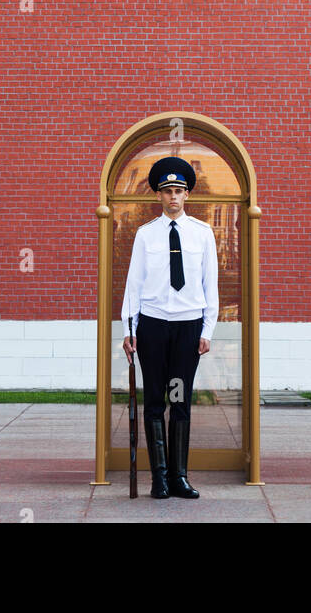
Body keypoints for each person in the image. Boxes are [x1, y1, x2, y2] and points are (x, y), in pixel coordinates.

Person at [121, 155, 219, 498]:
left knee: (179, 399)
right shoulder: (146, 235)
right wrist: (128, 330)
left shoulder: (202, 234)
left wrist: (207, 330)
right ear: (159, 196)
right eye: (167, 191)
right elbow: (134, 285)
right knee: (153, 402)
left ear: (187, 194)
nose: (173, 196)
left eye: (179, 190)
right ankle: (158, 478)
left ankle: (179, 477)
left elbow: (211, 285)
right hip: (152, 328)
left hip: (186, 328)